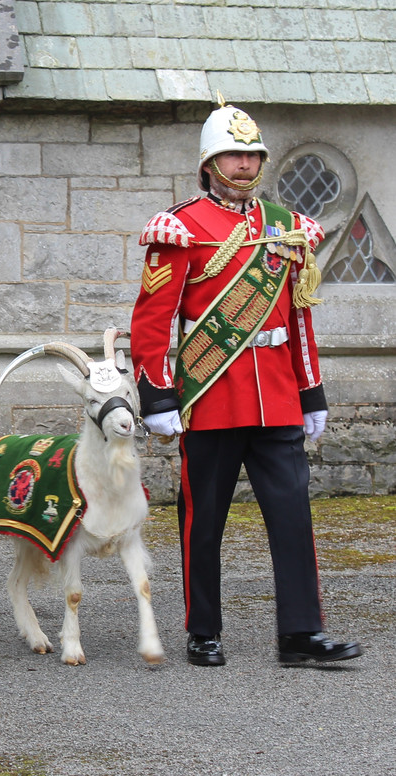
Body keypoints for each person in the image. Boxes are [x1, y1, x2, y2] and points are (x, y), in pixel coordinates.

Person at [130, 100, 362, 667]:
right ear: (208, 163)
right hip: (210, 396)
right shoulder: (180, 228)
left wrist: (311, 393)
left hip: (278, 394)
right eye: (232, 154)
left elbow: (300, 318)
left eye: (252, 154)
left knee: (293, 517)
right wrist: (158, 396)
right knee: (202, 521)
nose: (244, 163)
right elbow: (153, 320)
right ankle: (203, 629)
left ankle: (301, 634)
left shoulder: (287, 228)